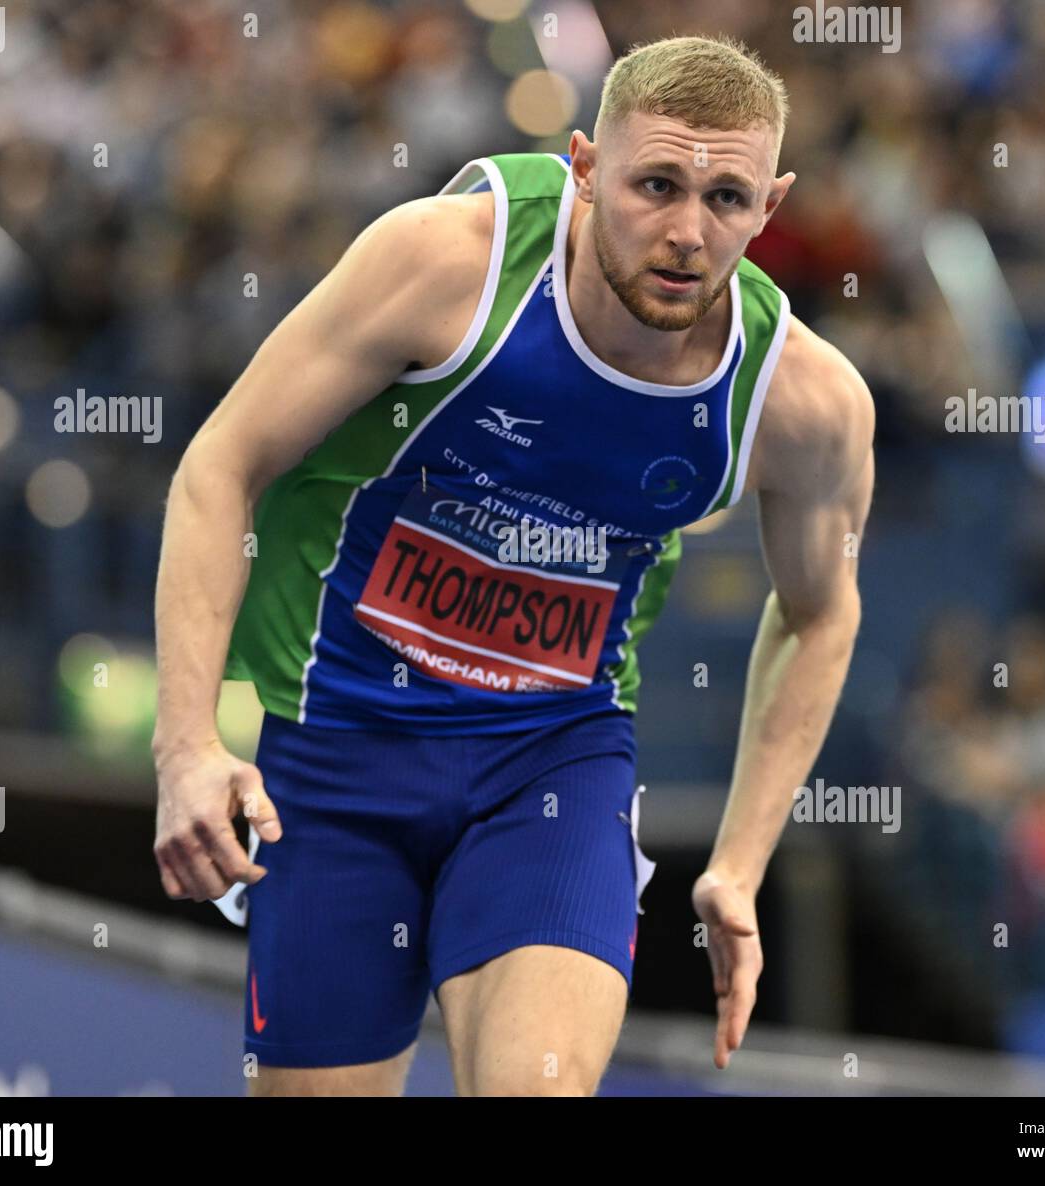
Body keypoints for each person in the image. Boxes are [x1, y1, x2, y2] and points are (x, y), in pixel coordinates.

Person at [152, 32, 874, 1097]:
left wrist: (738, 861)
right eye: (656, 185)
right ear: (584, 169)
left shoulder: (803, 400)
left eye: (726, 200)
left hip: (553, 761)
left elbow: (820, 612)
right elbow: (221, 464)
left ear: (771, 207)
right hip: (342, 746)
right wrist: (184, 745)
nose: (685, 232)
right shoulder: (447, 263)